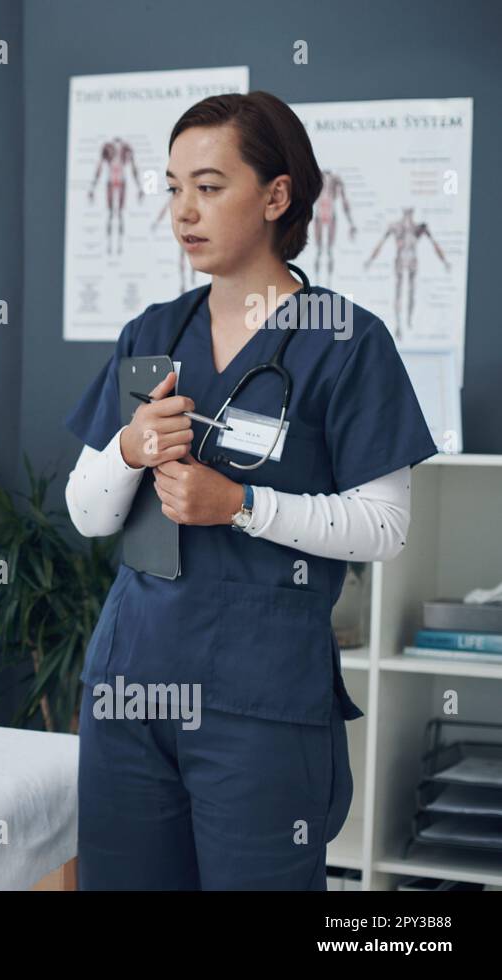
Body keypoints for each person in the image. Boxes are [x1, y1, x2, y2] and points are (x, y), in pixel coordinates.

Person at [63, 92, 439, 890]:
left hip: (261, 701)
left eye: (208, 185)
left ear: (276, 196)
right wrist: (130, 448)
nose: (182, 212)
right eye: (171, 188)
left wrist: (240, 505)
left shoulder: (347, 341)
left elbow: (384, 528)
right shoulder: (152, 331)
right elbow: (88, 513)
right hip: (133, 683)